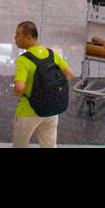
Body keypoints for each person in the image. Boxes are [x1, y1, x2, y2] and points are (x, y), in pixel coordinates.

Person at [11, 20, 74, 148]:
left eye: (18, 34)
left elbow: (20, 87)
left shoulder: (23, 60)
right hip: (51, 110)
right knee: (49, 145)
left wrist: (17, 93)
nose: (15, 37)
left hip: (28, 112)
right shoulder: (51, 54)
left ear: (28, 38)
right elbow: (69, 73)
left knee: (20, 145)